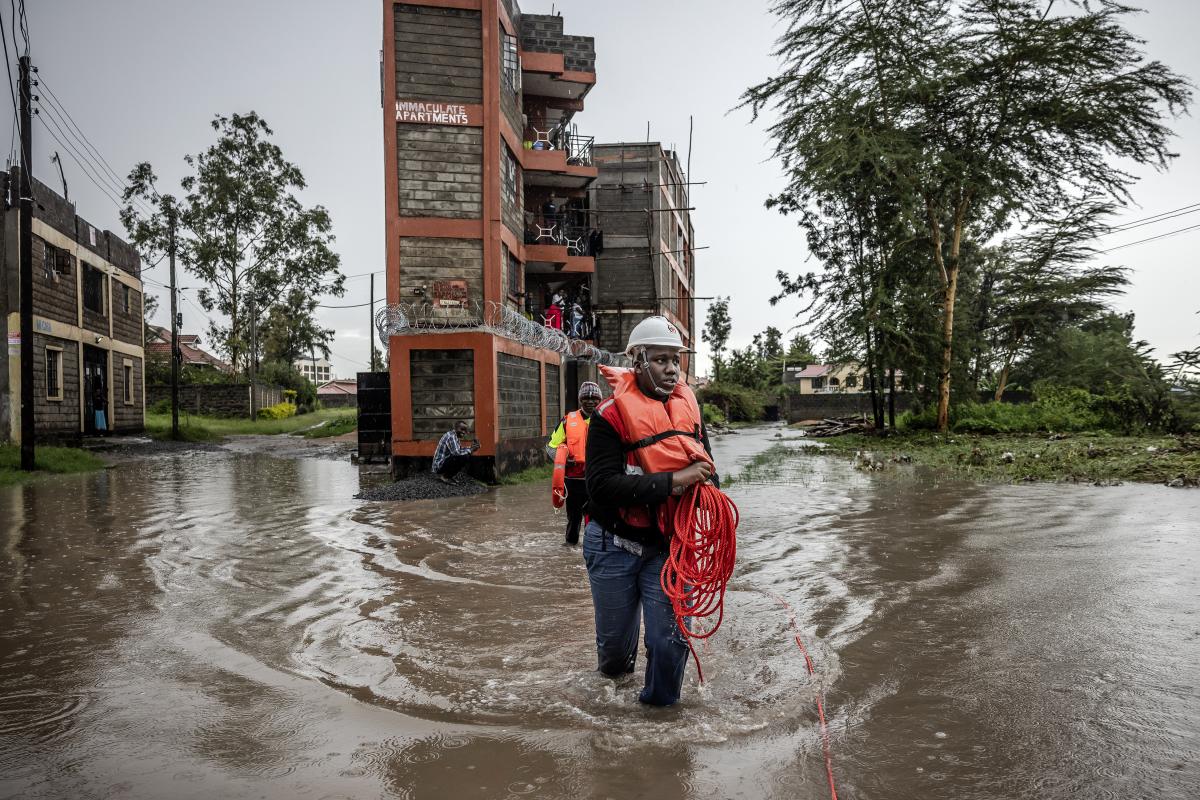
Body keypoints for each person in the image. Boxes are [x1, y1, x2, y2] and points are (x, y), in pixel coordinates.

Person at [583, 316, 718, 706]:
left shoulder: (688, 411)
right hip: (614, 543)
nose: (672, 369)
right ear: (637, 361)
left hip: (669, 546)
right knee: (614, 656)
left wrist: (708, 486)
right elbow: (601, 487)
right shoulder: (609, 416)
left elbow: (708, 470)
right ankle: (615, 703)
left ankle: (660, 717)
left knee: (669, 642)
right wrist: (674, 481)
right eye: (661, 360)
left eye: (675, 360)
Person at [546, 381, 603, 546]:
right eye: (586, 398)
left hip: (597, 479)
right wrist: (563, 460)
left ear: (600, 400)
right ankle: (570, 549)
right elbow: (551, 447)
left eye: (594, 398)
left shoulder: (606, 420)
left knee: (596, 520)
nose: (590, 402)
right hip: (573, 481)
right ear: (580, 400)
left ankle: (592, 549)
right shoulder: (567, 421)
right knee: (574, 519)